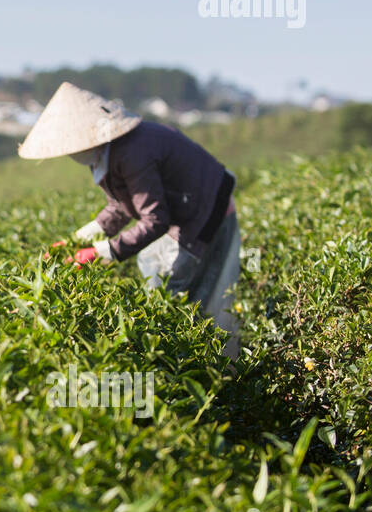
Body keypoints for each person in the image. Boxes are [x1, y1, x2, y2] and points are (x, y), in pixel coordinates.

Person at [18, 81, 242, 359]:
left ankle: (205, 374)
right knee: (160, 278)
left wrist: (103, 252)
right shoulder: (109, 155)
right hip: (188, 211)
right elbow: (123, 207)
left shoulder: (131, 152)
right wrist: (78, 240)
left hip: (206, 214)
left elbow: (155, 220)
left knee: (180, 301)